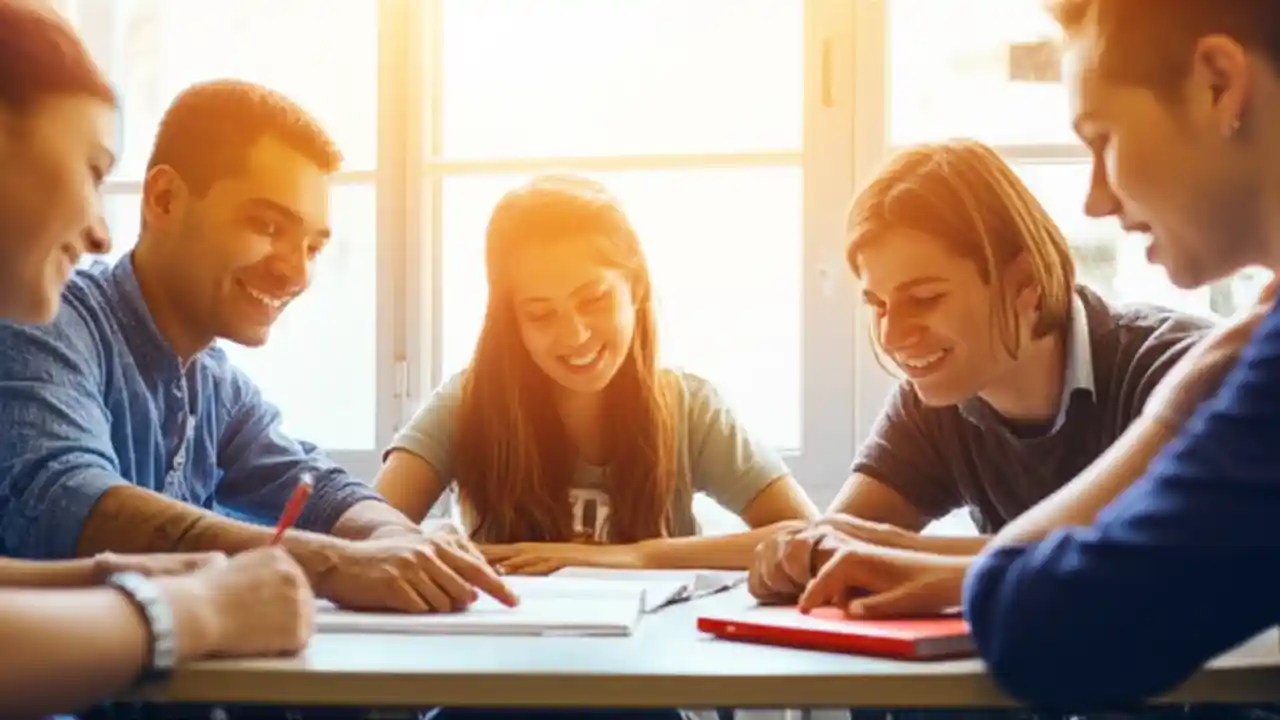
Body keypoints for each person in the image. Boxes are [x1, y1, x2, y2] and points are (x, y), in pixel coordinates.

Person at [0, 78, 516, 615]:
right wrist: (332, 563)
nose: (296, 272)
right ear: (165, 199)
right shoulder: (44, 321)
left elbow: (318, 486)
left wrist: (400, 537)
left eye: (313, 246)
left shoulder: (215, 381)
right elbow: (68, 500)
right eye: (268, 226)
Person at [0, 3, 313, 717]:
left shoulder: (216, 380)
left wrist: (120, 572)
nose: (102, 234)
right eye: (91, 167)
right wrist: (194, 609)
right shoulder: (55, 333)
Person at [748, 139, 1210, 605]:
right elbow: (844, 543)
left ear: (1024, 284)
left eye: (925, 298)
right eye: (879, 305)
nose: (891, 335)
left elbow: (1150, 556)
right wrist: (798, 556)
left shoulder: (1177, 369)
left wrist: (911, 554)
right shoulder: (934, 399)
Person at [376, 174, 819, 574]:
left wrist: (636, 556)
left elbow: (809, 537)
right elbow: (365, 535)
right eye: (540, 314)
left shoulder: (691, 406)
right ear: (513, 322)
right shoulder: (467, 402)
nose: (574, 335)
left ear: (637, 288)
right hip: (507, 657)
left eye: (594, 300)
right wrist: (430, 540)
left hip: (651, 656)